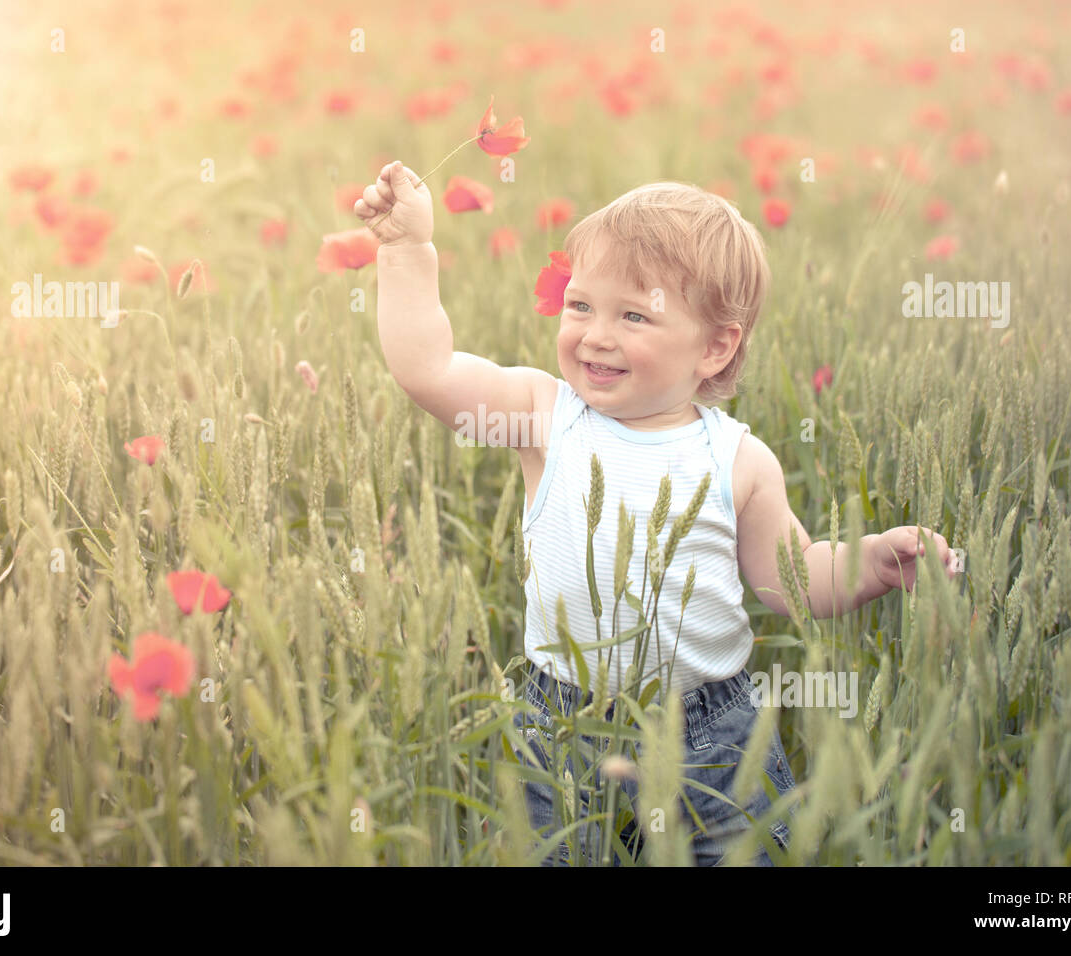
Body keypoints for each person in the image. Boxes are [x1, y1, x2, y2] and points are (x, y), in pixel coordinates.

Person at [358, 161, 959, 866]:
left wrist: (874, 562)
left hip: (708, 732)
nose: (595, 336)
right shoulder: (541, 415)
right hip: (562, 720)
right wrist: (405, 252)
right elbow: (426, 369)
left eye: (634, 315)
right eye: (580, 306)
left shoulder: (738, 461)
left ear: (715, 346)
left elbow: (794, 583)